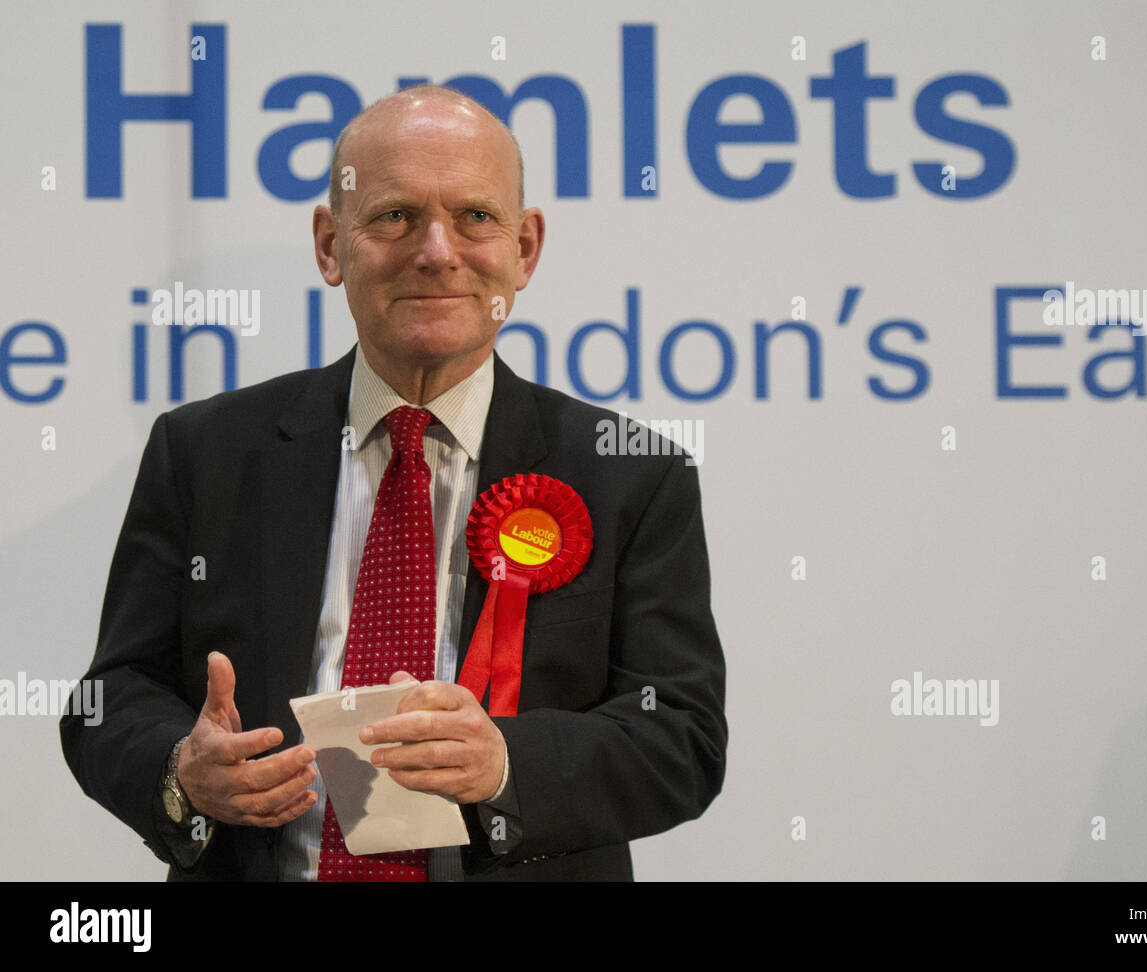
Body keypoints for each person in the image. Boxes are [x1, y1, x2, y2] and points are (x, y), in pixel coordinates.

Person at [60, 85, 727, 881]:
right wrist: (181, 772)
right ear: (330, 243)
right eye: (395, 216)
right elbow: (109, 699)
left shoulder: (630, 472)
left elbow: (681, 736)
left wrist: (506, 762)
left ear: (526, 247)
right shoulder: (204, 452)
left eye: (476, 217)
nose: (437, 251)